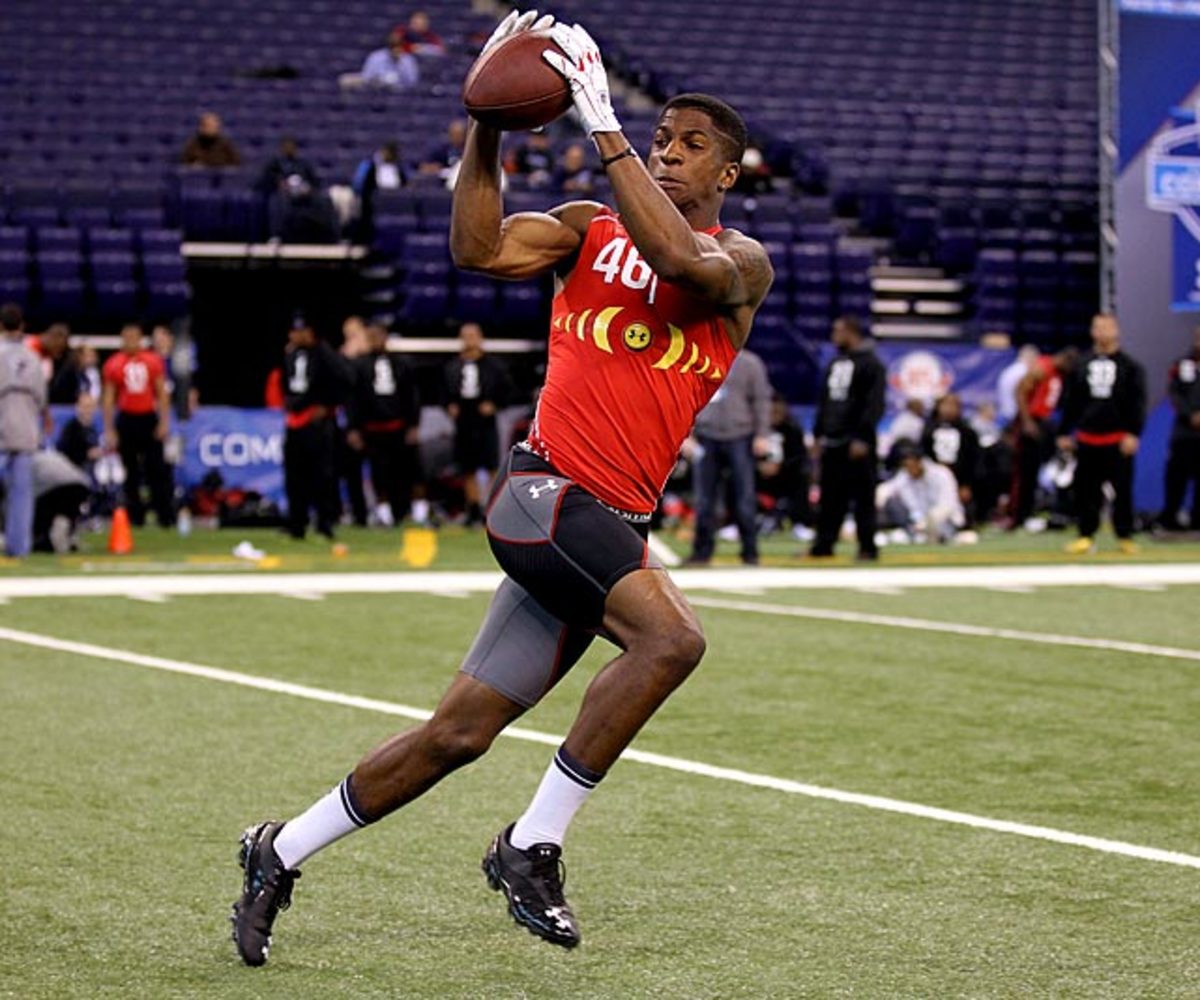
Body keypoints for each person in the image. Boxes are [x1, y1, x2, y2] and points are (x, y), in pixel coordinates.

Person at [230, 10, 772, 967]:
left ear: (728, 174)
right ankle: (532, 844)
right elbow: (476, 249)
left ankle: (281, 848)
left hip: (607, 523)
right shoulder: (583, 228)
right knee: (673, 640)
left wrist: (606, 132)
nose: (671, 154)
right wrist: (484, 118)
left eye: (692, 147)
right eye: (660, 140)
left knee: (458, 734)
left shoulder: (742, 262)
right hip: (546, 496)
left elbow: (682, 262)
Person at [1056, 313, 1146, 554]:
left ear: (1116, 330)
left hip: (1117, 438)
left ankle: (1125, 535)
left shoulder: (1130, 366)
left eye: (1107, 327)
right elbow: (1070, 401)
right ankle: (1086, 534)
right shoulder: (1081, 365)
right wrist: (1064, 432)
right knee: (1086, 490)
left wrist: (1133, 433)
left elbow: (1137, 402)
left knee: (1122, 489)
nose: (1103, 331)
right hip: (1087, 437)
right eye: (1098, 327)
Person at [684, 348, 771, 565]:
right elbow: (686, 397)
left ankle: (750, 552)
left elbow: (761, 399)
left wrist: (762, 434)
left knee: (744, 497)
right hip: (706, 436)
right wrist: (686, 434)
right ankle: (702, 552)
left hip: (739, 435)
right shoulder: (699, 358)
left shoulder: (750, 363)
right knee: (704, 499)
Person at [809, 315, 885, 559]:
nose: (834, 336)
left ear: (851, 333)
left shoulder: (872, 364)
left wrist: (862, 437)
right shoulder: (834, 363)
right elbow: (825, 402)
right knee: (830, 497)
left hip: (857, 442)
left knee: (863, 497)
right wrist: (818, 434)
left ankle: (867, 547)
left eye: (838, 331)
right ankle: (824, 545)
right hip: (832, 440)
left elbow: (873, 404)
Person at [281, 314, 351, 540]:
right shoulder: (290, 354)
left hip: (318, 423)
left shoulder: (324, 353)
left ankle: (325, 521)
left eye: (300, 331)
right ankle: (296, 523)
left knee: (323, 474)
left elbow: (345, 378)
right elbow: (287, 384)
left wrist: (328, 405)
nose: (295, 335)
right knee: (294, 475)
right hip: (295, 421)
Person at [101, 322, 174, 527]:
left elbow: (161, 393)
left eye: (135, 337)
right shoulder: (114, 363)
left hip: (148, 418)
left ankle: (164, 515)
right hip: (126, 418)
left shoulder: (152, 361)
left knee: (157, 469)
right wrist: (110, 429)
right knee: (130, 470)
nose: (131, 342)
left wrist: (163, 422)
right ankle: (135, 515)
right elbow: (108, 399)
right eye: (127, 337)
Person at [347, 322, 421, 526]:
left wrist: (414, 424)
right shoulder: (359, 365)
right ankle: (382, 511)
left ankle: (404, 511)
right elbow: (353, 398)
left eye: (378, 336)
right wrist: (353, 428)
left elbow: (411, 395)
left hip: (398, 426)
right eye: (371, 337)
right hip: (372, 428)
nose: (376, 341)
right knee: (378, 472)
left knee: (403, 471)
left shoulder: (401, 363)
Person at [444, 322, 511, 526]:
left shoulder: (494, 366)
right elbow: (444, 392)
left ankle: (492, 508)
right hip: (464, 421)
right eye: (465, 336)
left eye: (473, 335)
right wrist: (450, 405)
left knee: (491, 464)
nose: (469, 340)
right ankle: (472, 509)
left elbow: (508, 390)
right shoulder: (453, 366)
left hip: (486, 422)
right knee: (467, 467)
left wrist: (495, 404)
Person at [1010, 347, 1076, 529]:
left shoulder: (1058, 373)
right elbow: (1020, 390)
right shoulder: (1043, 367)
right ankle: (1017, 515)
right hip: (1030, 419)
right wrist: (1027, 421)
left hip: (1045, 422)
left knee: (1046, 466)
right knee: (1024, 470)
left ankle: (1035, 511)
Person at [0, 303, 46, 558]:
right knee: (21, 494)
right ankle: (19, 547)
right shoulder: (33, 357)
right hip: (26, 428)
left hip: (1, 424)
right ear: (22, 326)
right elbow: (41, 397)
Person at [878, 443, 965, 544]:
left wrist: (925, 523)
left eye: (912, 465)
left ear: (920, 462)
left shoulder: (942, 474)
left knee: (937, 521)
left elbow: (948, 505)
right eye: (906, 466)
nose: (910, 469)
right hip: (917, 523)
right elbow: (886, 490)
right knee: (892, 504)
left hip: (946, 521)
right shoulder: (904, 476)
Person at [259, 137, 338, 242]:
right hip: (283, 194)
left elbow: (315, 182)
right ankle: (277, 235)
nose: (289, 149)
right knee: (277, 200)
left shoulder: (303, 164)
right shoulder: (274, 164)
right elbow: (264, 181)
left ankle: (331, 235)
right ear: (282, 148)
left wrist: (308, 188)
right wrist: (280, 184)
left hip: (303, 194)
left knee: (324, 200)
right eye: (286, 146)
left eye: (291, 146)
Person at [1159, 325, 1200, 531]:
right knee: (1176, 478)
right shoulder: (1183, 365)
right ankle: (1170, 518)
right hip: (1184, 432)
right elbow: (1174, 394)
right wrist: (1191, 415)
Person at [756, 393, 813, 539]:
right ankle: (736, 523)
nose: (774, 413)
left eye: (778, 410)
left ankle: (799, 523)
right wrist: (760, 466)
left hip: (786, 475)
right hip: (758, 474)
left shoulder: (792, 429)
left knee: (802, 475)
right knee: (736, 475)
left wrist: (780, 466)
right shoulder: (755, 429)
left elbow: (799, 456)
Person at [921, 392, 980, 526]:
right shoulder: (929, 429)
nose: (949, 409)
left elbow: (973, 460)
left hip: (959, 479)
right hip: (934, 480)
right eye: (945, 405)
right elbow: (924, 455)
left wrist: (967, 484)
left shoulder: (967, 431)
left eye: (953, 405)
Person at [352, 141, 408, 239]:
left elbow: (404, 187)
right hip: (373, 206)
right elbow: (361, 186)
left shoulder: (399, 170)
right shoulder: (370, 167)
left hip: (394, 206)